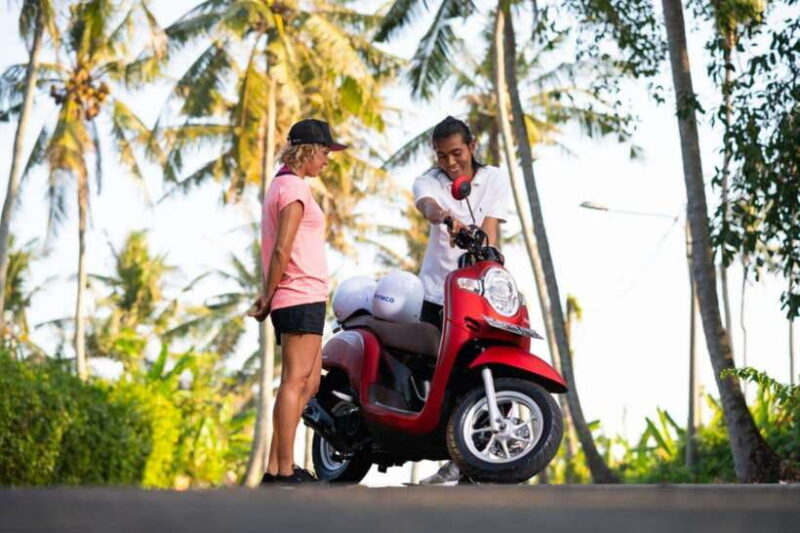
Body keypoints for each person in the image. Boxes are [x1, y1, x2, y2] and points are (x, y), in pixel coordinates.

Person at [413, 116, 512, 484]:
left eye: (456, 153)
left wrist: (489, 264)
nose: (450, 163)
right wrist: (446, 218)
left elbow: (490, 230)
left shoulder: (494, 178)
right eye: (442, 156)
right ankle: (451, 457)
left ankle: (475, 458)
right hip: (437, 293)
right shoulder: (430, 181)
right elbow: (426, 204)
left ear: (471, 146)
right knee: (441, 376)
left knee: (485, 370)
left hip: (476, 294)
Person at [249, 118, 347, 484]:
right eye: (324, 152)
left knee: (309, 383)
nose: (327, 159)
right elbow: (281, 250)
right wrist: (267, 296)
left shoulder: (288, 185)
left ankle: (278, 467)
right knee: (294, 381)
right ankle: (281, 471)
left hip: (306, 295)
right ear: (306, 150)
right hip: (297, 294)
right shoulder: (292, 188)